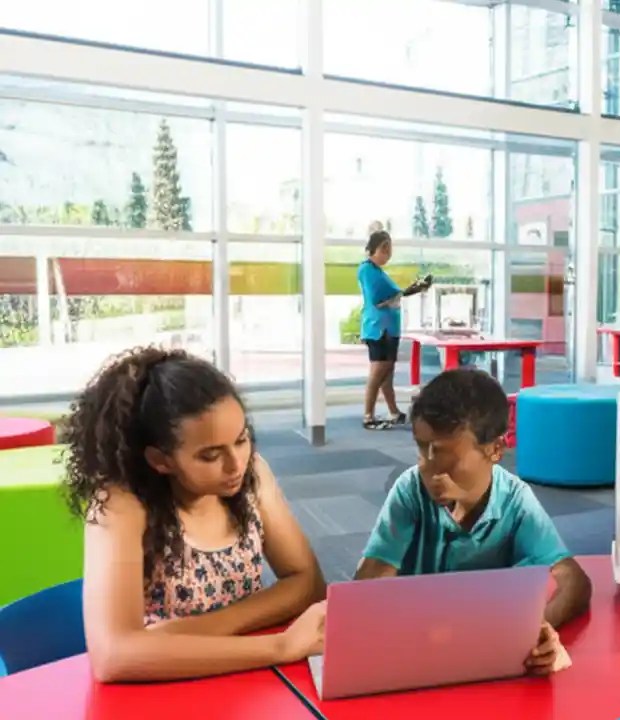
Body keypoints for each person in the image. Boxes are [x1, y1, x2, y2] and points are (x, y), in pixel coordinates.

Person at [63, 347, 327, 682]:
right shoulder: (122, 503)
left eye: (242, 439)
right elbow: (113, 656)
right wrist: (280, 646)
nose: (237, 464)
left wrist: (196, 630)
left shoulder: (253, 474)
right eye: (210, 455)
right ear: (161, 460)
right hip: (161, 684)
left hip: (242, 672)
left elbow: (308, 583)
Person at [355, 368, 592, 675]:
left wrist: (537, 628)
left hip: (485, 660)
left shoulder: (515, 500)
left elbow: (574, 581)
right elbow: (366, 589)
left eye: (444, 455)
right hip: (414, 652)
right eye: (421, 449)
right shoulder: (410, 489)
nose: (428, 467)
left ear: (495, 449)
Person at [359, 229, 432, 430]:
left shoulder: (378, 271)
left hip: (388, 328)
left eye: (389, 249)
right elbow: (379, 298)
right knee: (378, 371)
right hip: (378, 328)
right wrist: (401, 294)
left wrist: (413, 289)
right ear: (373, 249)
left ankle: (393, 411)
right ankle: (368, 415)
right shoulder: (367, 270)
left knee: (387, 373)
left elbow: (394, 295)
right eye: (384, 249)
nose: (387, 253)